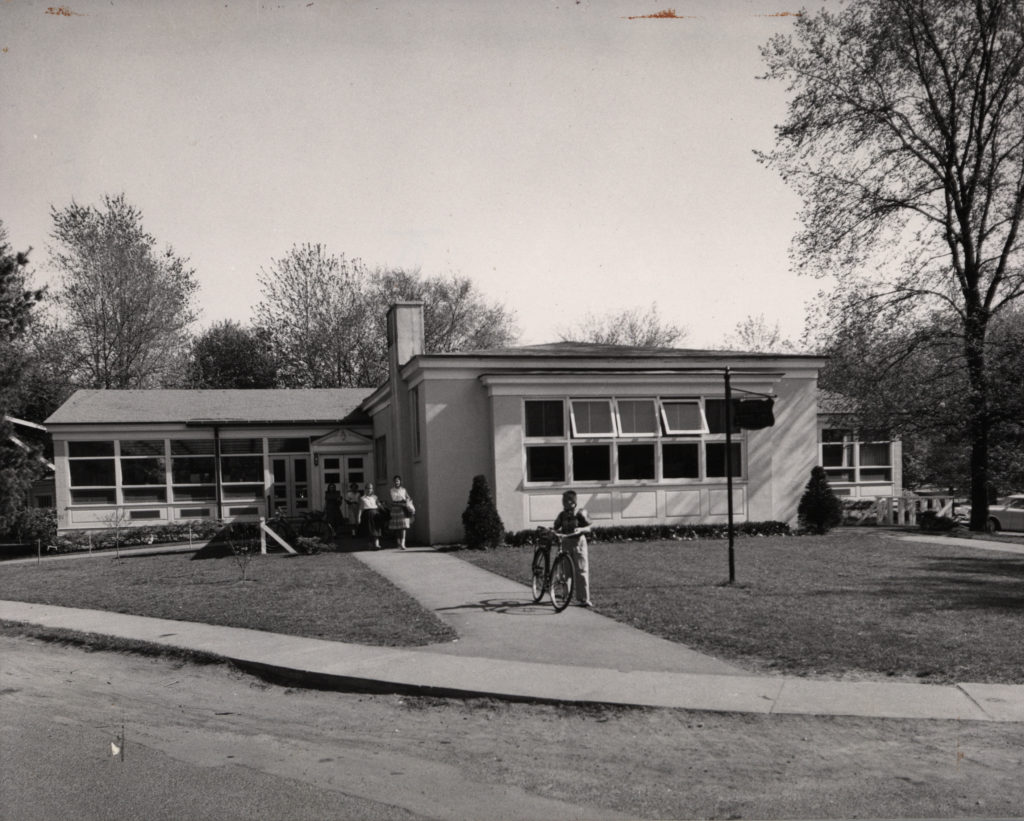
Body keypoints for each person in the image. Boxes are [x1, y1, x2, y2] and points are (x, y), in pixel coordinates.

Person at [552, 489, 593, 607]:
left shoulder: (580, 513)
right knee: (566, 572)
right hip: (566, 543)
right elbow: (556, 527)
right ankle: (566, 596)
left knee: (582, 571)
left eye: (566, 500)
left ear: (573, 502)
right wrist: (555, 532)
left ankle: (584, 599)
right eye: (563, 500)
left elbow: (589, 527)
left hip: (579, 543)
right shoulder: (562, 515)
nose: (564, 502)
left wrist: (581, 529)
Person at [387, 474, 414, 550]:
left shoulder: (403, 490)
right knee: (397, 527)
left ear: (400, 481)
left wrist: (407, 501)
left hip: (403, 509)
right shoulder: (391, 490)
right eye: (395, 481)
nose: (397, 482)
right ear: (393, 482)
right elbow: (391, 501)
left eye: (398, 481)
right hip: (395, 509)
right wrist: (397, 503)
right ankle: (398, 543)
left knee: (403, 527)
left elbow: (408, 498)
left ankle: (403, 543)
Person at [358, 482, 383, 549]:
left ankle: (377, 544)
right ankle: (370, 544)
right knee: (369, 530)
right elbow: (360, 508)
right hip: (367, 514)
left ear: (372, 489)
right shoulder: (362, 498)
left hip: (375, 514)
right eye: (368, 488)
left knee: (376, 529)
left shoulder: (375, 497)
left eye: (371, 488)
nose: (369, 490)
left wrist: (382, 507)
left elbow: (379, 505)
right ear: (365, 489)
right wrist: (359, 517)